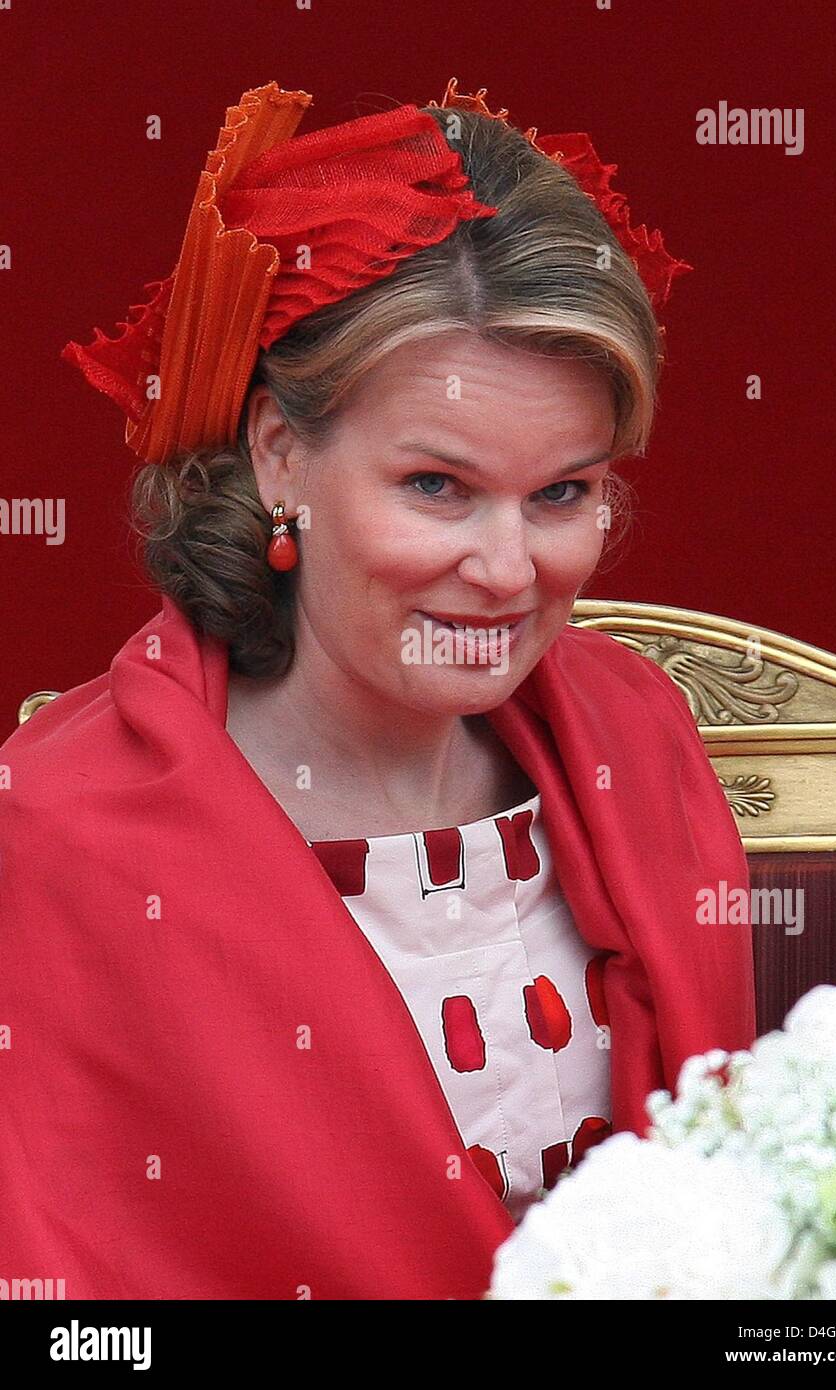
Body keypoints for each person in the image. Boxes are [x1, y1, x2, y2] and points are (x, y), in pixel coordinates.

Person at [0, 80, 755, 1300]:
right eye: (437, 487)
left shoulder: (637, 730)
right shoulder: (55, 834)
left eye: (561, 493)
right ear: (280, 452)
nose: (509, 573)